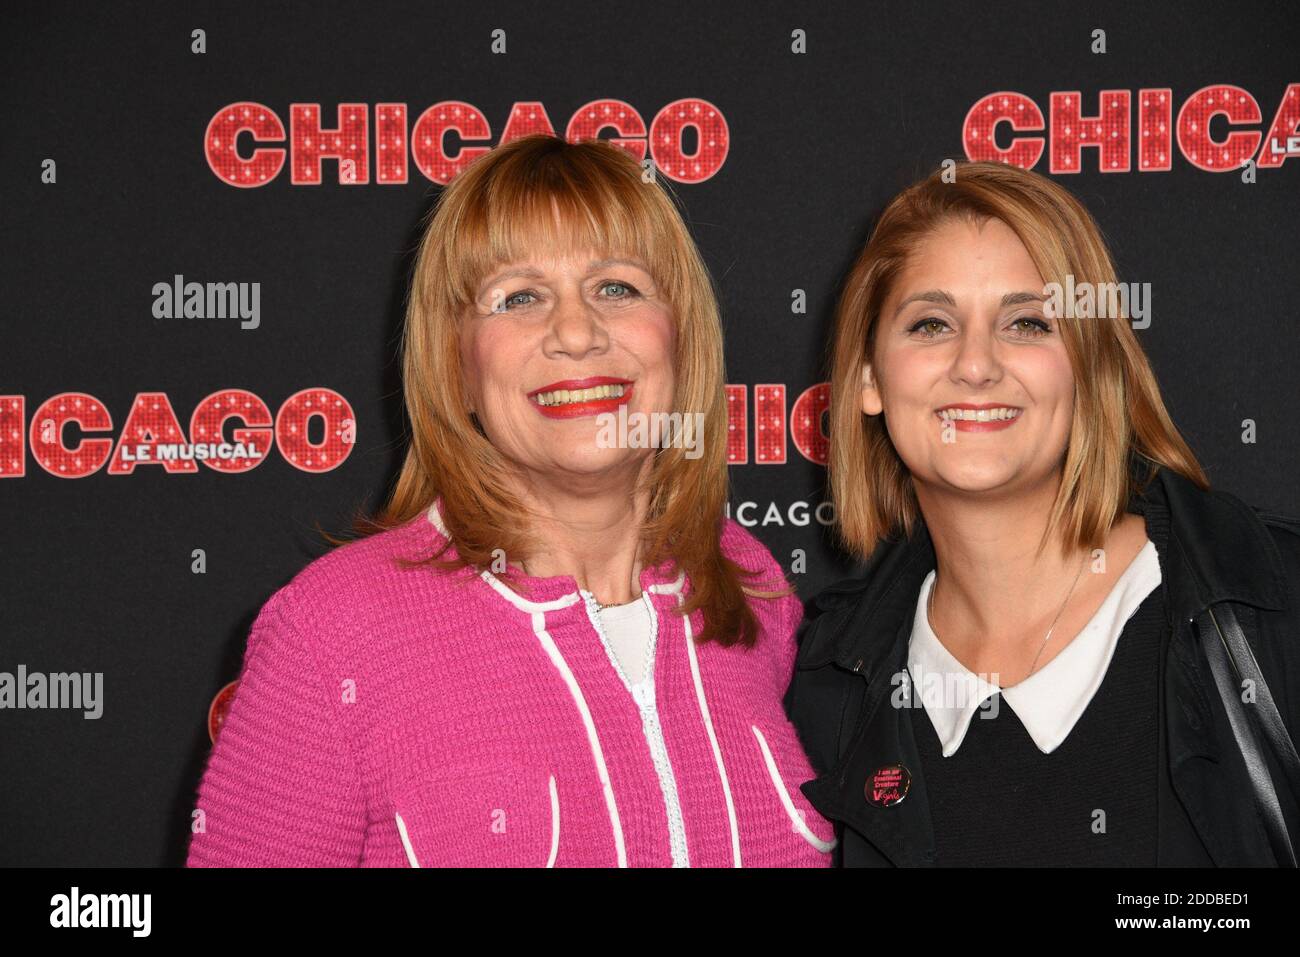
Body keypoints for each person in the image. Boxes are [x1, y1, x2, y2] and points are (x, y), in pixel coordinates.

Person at [186, 133, 836, 867]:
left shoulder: (754, 589)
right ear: (456, 365)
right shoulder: (332, 630)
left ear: (680, 336)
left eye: (617, 286)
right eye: (519, 297)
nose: (576, 332)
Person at [785, 160, 1300, 866]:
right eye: (931, 323)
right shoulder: (823, 686)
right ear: (870, 379)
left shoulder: (1271, 619)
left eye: (1027, 322)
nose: (976, 364)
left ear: (1090, 366)